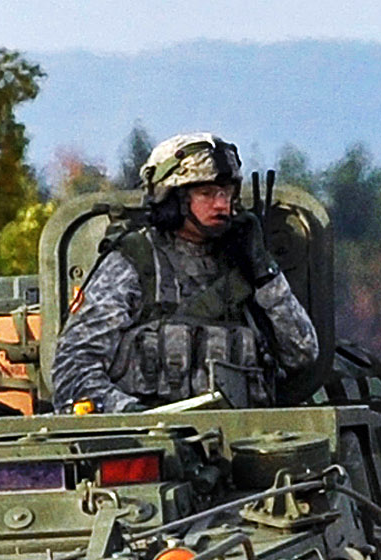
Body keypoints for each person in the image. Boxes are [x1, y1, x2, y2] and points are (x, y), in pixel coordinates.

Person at [43, 133, 322, 412]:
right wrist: (132, 415)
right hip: (153, 438)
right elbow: (74, 370)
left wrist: (263, 271)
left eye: (226, 192)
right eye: (206, 193)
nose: (222, 205)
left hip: (244, 437)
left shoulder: (245, 264)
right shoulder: (135, 261)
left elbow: (301, 353)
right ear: (172, 198)